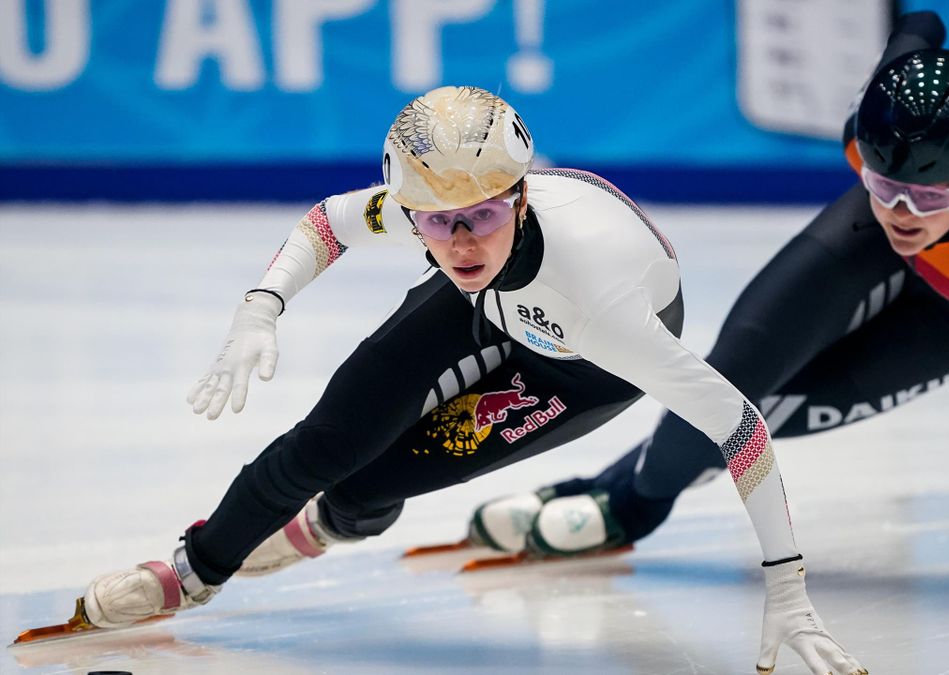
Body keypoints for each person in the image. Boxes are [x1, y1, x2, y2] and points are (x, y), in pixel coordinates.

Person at [77, 86, 867, 675]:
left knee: (370, 483)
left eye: (482, 215)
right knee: (326, 440)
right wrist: (261, 304)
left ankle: (323, 527)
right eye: (433, 220)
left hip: (579, 359)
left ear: (520, 198)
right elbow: (327, 222)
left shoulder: (602, 307)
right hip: (493, 303)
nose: (458, 240)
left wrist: (787, 583)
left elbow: (739, 426)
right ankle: (194, 569)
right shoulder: (448, 222)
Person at [468, 12, 949, 593]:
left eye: (926, 196)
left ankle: (627, 505)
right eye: (881, 179)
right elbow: (923, 24)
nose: (902, 209)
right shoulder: (877, 147)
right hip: (862, 238)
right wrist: (899, 89)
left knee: (777, 410)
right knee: (732, 372)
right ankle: (608, 491)